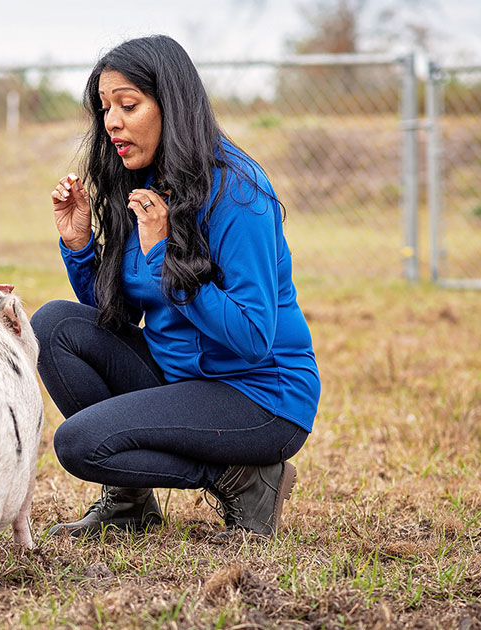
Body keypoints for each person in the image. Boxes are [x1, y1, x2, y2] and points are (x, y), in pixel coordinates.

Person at [33, 34, 320, 541]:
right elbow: (113, 315)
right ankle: (130, 506)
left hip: (257, 396)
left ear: (172, 103)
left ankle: (249, 479)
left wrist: (167, 255)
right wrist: (80, 246)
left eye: (128, 105)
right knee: (53, 327)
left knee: (78, 445)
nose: (112, 122)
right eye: (105, 109)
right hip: (179, 377)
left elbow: (253, 335)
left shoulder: (239, 193)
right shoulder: (144, 181)